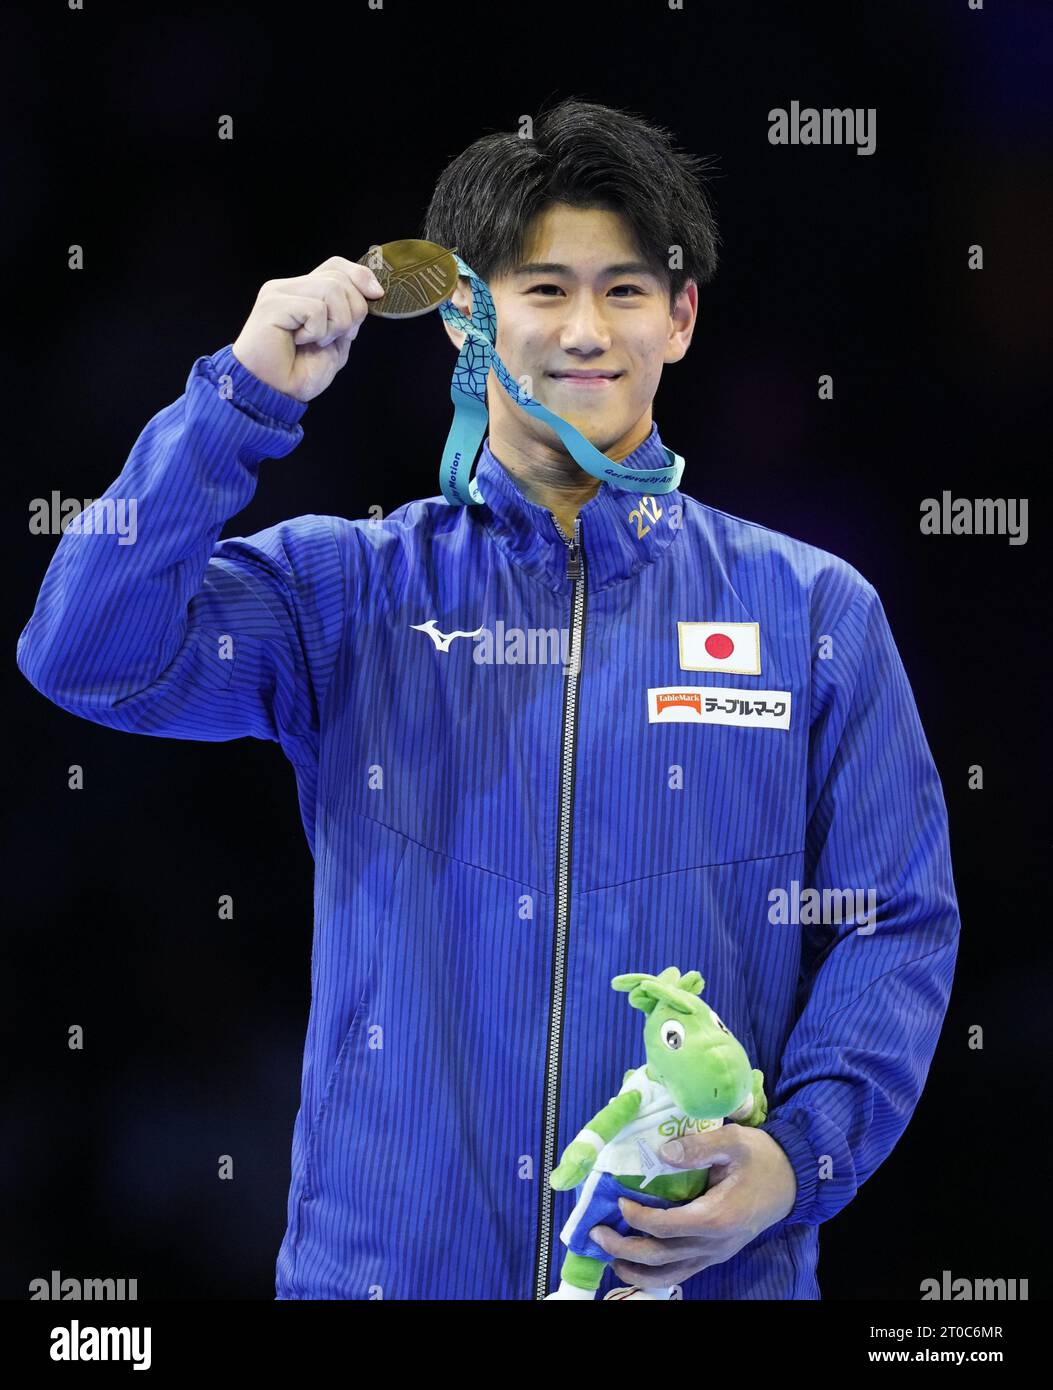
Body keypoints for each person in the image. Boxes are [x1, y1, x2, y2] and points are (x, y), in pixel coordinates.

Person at [16, 97, 961, 1300]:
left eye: (624, 290)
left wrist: (798, 1156)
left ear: (681, 318)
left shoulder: (815, 612)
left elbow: (897, 922)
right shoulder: (347, 591)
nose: (585, 329)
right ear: (466, 316)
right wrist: (241, 398)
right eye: (540, 288)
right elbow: (83, 650)